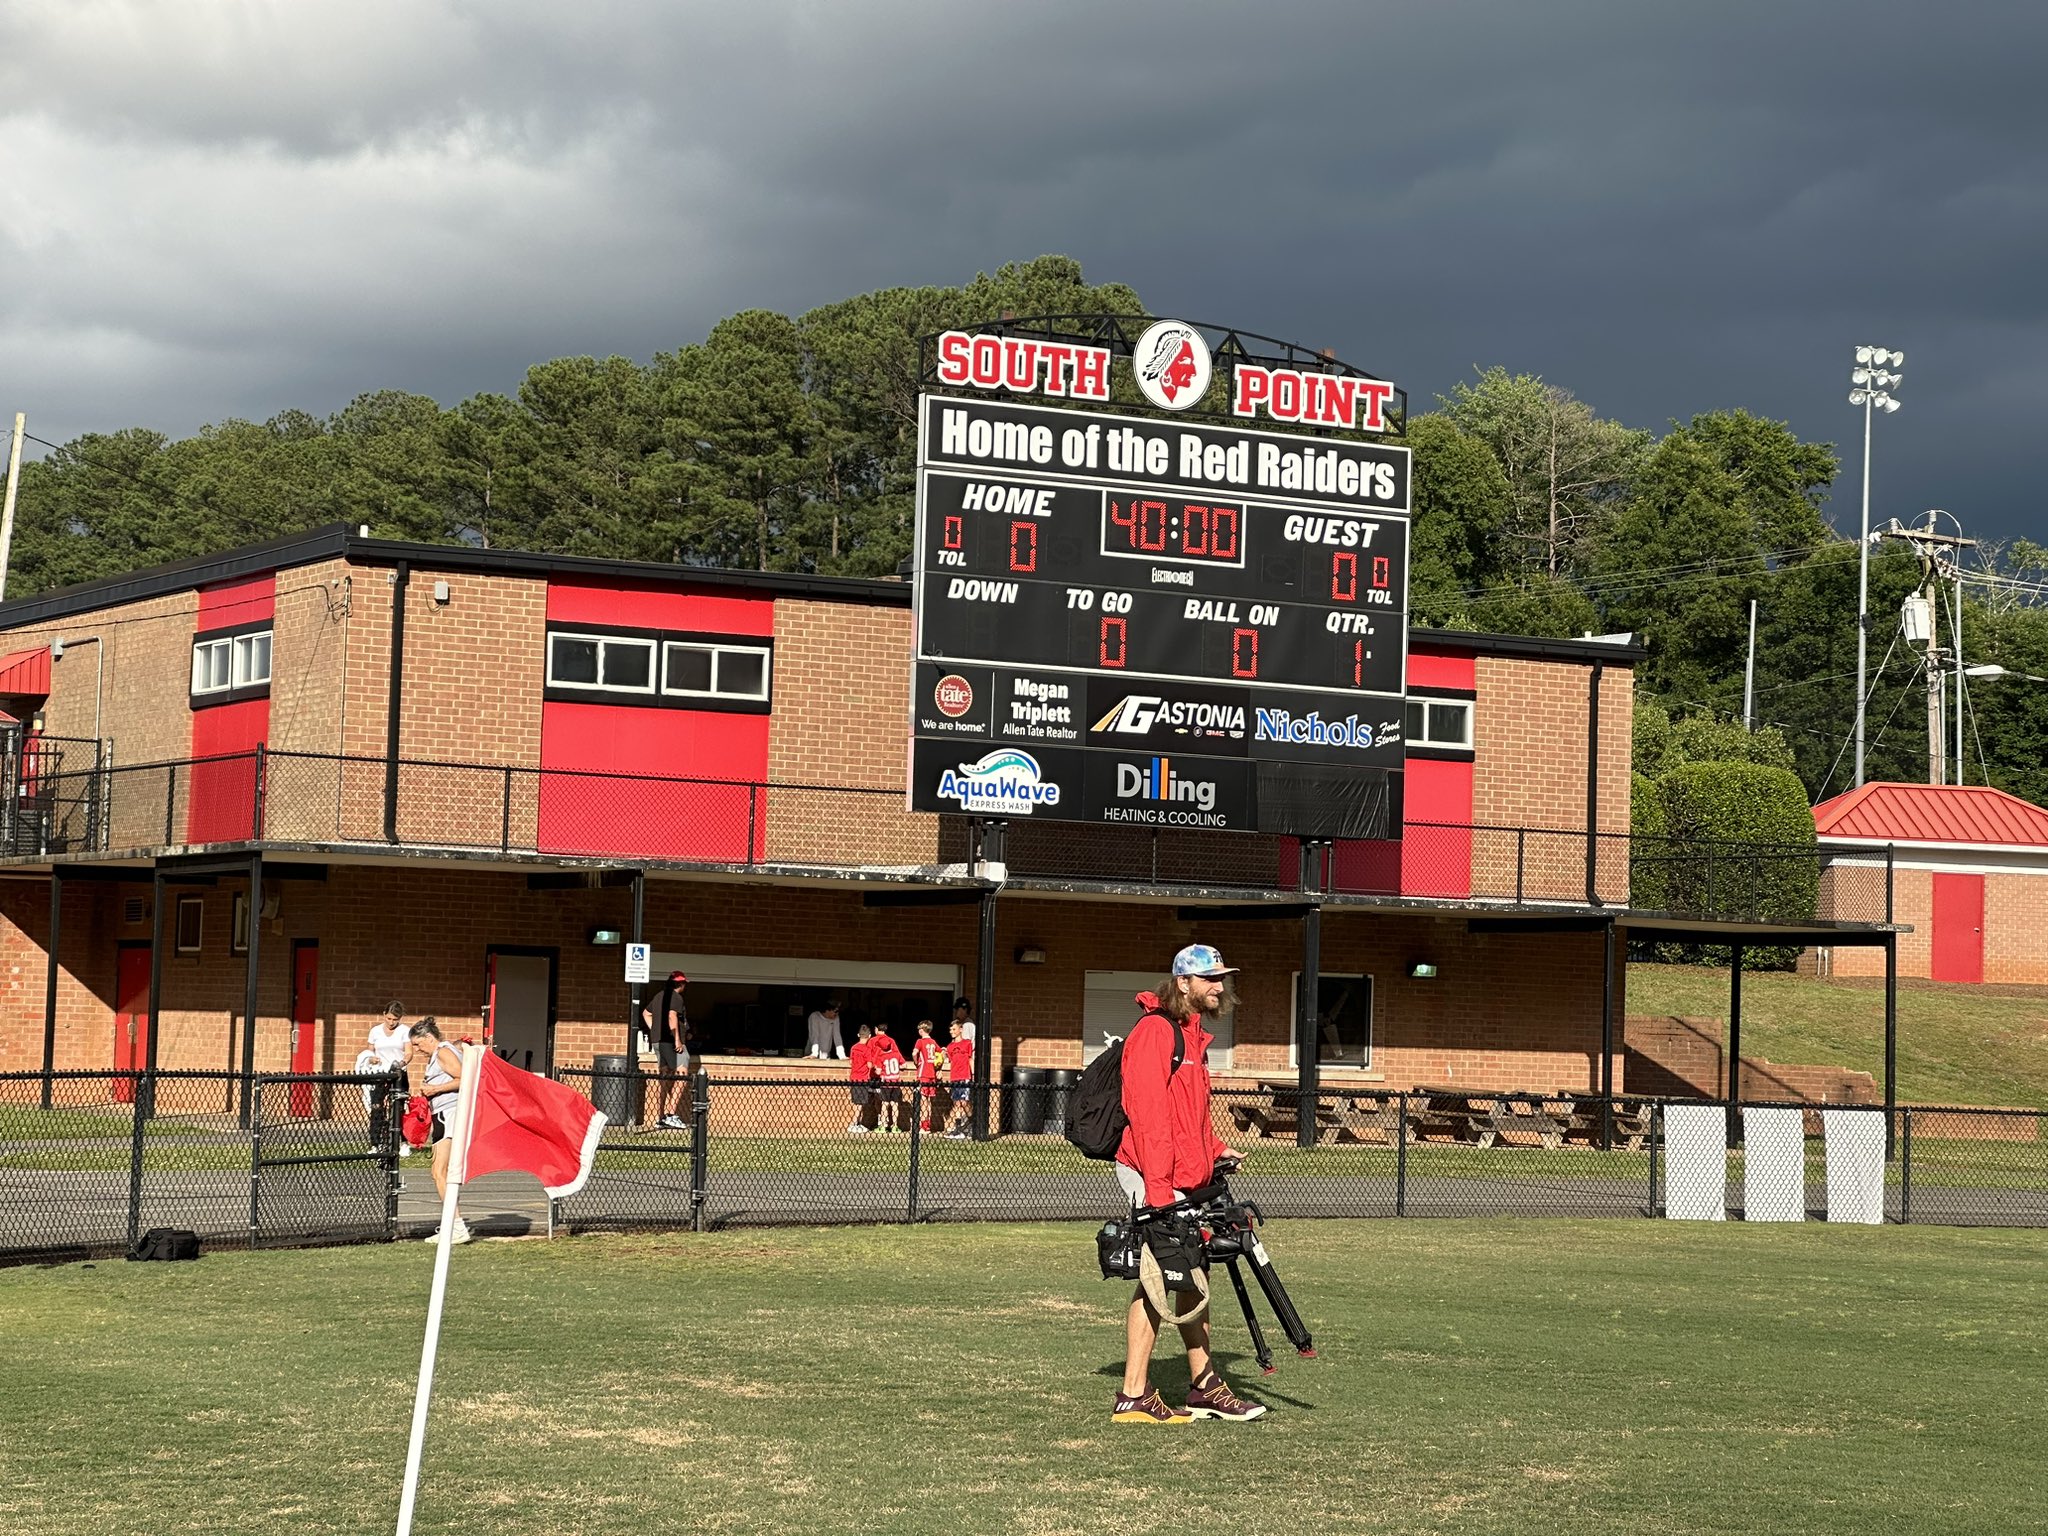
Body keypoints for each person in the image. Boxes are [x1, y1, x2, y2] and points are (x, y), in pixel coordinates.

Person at [1111, 944, 1264, 1425]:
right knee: (1161, 1277)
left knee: (1192, 1275)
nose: (1220, 987)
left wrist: (1215, 1150)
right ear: (1183, 982)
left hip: (1181, 1176)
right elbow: (1149, 1117)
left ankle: (1204, 1386)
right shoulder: (1157, 1033)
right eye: (1210, 979)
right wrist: (1158, 1189)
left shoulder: (1189, 1036)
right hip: (1154, 1175)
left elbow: (1187, 1116)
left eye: (1222, 978)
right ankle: (1134, 1395)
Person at [406, 1018, 471, 1246]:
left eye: (417, 1044)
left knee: (439, 1172)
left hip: (450, 1115)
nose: (416, 1050)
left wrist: (435, 1089)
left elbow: (464, 1079)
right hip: (444, 1115)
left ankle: (456, 1226)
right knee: (442, 1172)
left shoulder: (443, 1052)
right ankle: (453, 1224)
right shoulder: (440, 1054)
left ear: (428, 1038)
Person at [641, 971, 690, 1130]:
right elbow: (672, 1016)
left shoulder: (658, 996)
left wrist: (654, 1029)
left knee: (664, 1077)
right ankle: (671, 1115)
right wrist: (677, 1039)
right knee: (682, 1072)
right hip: (670, 1042)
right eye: (684, 984)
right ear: (680, 984)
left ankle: (660, 1117)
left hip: (658, 1041)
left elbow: (646, 1013)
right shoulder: (676, 997)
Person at [363, 1001, 410, 1156]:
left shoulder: (404, 1031)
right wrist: (371, 1059)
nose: (391, 1023)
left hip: (397, 1073)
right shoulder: (375, 1031)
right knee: (377, 1107)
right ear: (384, 1015)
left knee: (398, 1108)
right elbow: (369, 1051)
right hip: (380, 1072)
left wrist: (402, 1062)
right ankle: (376, 1143)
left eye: (395, 1019)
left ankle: (402, 1142)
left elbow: (408, 1052)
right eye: (389, 1018)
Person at [942, 1019, 975, 1139]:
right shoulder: (950, 1046)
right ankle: (958, 1129)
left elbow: (970, 1059)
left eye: (954, 1029)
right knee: (956, 1103)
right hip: (954, 1077)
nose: (952, 1031)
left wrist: (973, 1074)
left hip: (964, 1075)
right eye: (950, 1029)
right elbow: (950, 1061)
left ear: (960, 1029)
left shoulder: (967, 1043)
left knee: (964, 1102)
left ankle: (972, 1124)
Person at [872, 1024, 906, 1133]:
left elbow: (877, 1070)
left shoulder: (881, 1056)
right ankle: (895, 1126)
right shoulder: (896, 1054)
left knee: (884, 1104)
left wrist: (877, 1070)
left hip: (885, 1082)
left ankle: (883, 1125)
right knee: (895, 1104)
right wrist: (899, 1068)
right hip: (896, 1082)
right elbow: (904, 1065)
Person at [846, 1022, 876, 1135]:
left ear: (858, 1035)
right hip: (863, 1078)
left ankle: (857, 1122)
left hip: (853, 1077)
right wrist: (874, 1065)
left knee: (856, 1101)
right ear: (869, 1036)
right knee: (860, 1103)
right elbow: (869, 1065)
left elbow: (850, 1062)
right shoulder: (867, 1049)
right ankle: (855, 1123)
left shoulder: (853, 1047)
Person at [910, 1019, 941, 1132]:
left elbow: (914, 1053)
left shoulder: (920, 1041)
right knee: (929, 1101)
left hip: (923, 1072)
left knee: (923, 1099)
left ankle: (923, 1125)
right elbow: (941, 1052)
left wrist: (916, 1062)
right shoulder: (933, 1042)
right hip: (932, 1073)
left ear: (922, 1030)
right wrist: (939, 1067)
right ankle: (927, 1124)